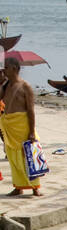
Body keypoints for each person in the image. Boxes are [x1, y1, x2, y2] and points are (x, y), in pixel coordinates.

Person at [0, 55, 43, 196]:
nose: (3, 70)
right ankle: (19, 187)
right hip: (10, 125)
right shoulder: (6, 85)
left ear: (15, 69)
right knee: (13, 157)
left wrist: (31, 131)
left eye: (6, 67)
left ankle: (35, 187)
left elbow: (31, 111)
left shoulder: (25, 86)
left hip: (23, 124)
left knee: (28, 155)